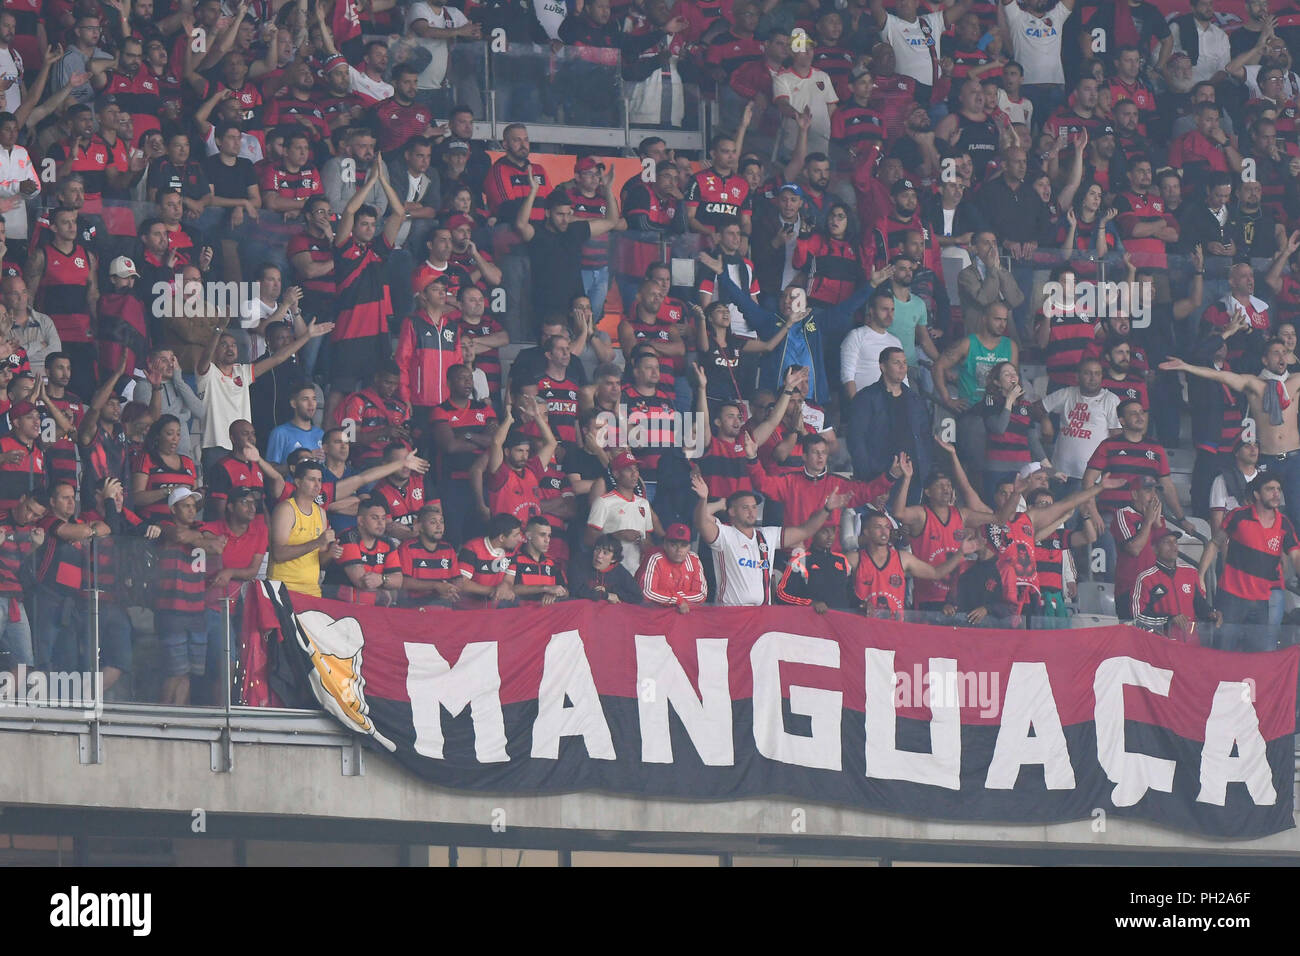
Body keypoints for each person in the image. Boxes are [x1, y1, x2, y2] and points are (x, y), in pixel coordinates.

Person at [1162, 344, 1300, 527]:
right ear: (1265, 360)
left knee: (1297, 513)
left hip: (1294, 458)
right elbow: (1220, 375)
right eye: (1275, 352)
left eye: (1284, 352)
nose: (1281, 356)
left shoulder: (1296, 381)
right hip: (1266, 459)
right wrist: (1186, 366)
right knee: (1263, 513)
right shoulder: (1254, 384)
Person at [692, 470, 849, 606]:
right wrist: (704, 499)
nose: (752, 512)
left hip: (761, 616)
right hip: (731, 614)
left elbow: (805, 530)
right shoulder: (724, 534)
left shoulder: (767, 535)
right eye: (745, 507)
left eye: (754, 507)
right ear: (731, 511)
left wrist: (827, 509)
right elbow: (701, 523)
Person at [889, 441, 996, 612]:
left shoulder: (963, 514)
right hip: (927, 599)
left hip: (959, 598)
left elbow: (998, 519)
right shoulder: (921, 514)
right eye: (940, 486)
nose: (946, 489)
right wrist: (907, 478)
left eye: (948, 486)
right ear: (928, 492)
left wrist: (953, 455)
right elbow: (899, 513)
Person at [1199, 473, 1300, 650]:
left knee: (1258, 657)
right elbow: (1215, 543)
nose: (1276, 493)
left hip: (1261, 600)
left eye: (1278, 489)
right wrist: (1200, 575)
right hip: (1230, 597)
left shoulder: (1284, 524)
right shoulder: (1239, 516)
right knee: (1223, 651)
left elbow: (1296, 556)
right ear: (1257, 494)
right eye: (1270, 489)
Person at [515, 168, 624, 330]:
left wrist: (608, 190)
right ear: (547, 213)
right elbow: (520, 225)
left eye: (568, 213)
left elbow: (611, 221)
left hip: (574, 306)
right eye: (560, 214)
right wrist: (533, 192)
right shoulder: (538, 233)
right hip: (545, 308)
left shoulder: (574, 230)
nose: (565, 219)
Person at [156, 488, 227, 706]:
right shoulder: (163, 527)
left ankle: (178, 716)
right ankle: (162, 715)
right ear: (173, 509)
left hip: (196, 610)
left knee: (188, 672)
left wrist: (196, 537)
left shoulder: (198, 530)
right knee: (174, 671)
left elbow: (217, 546)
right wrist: (201, 538)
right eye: (185, 505)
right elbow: (179, 535)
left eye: (194, 506)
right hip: (171, 609)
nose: (191, 510)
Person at [852, 508, 966, 619]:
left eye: (887, 527)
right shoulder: (855, 559)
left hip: (894, 631)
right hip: (865, 630)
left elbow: (936, 573)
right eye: (878, 527)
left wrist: (961, 553)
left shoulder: (903, 558)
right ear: (866, 532)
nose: (884, 531)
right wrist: (857, 603)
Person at [846, 346, 931, 490]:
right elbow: (856, 439)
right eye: (896, 363)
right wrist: (868, 477)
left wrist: (925, 469)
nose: (902, 367)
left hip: (912, 475)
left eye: (904, 363)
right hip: (879, 476)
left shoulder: (915, 399)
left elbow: (925, 436)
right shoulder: (866, 398)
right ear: (883, 367)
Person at [1040, 356, 1120, 490]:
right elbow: (1036, 409)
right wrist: (1045, 420)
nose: (1093, 378)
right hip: (1059, 473)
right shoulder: (1067, 393)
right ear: (1077, 376)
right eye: (1087, 373)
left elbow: (1117, 439)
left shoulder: (1110, 400)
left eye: (1097, 374)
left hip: (1090, 477)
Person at [268, 459, 340, 599]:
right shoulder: (286, 509)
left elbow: (321, 561)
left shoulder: (321, 513)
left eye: (319, 480)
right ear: (298, 482)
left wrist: (330, 553)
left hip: (312, 591)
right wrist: (317, 542)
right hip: (283, 590)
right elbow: (278, 554)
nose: (317, 485)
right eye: (312, 480)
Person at [1133, 528, 1219, 643]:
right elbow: (1138, 616)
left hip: (1191, 645)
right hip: (1162, 646)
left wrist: (1212, 613)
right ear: (1154, 549)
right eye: (1167, 542)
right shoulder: (1145, 578)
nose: (1173, 546)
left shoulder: (1191, 572)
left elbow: (1199, 604)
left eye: (1175, 542)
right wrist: (1169, 619)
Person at [585, 452, 660, 575]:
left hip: (637, 571)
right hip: (611, 572)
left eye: (636, 469)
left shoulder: (644, 503)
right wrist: (616, 536)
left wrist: (645, 544)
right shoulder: (603, 502)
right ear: (616, 474)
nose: (634, 474)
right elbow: (588, 540)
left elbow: (648, 540)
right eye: (628, 469)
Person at [328, 496, 401, 607]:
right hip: (337, 603)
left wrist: (382, 579)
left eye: (383, 518)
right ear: (361, 521)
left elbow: (398, 581)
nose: (381, 523)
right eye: (375, 518)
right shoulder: (348, 537)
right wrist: (384, 587)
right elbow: (362, 582)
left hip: (366, 605)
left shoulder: (387, 542)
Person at [393, 503, 462, 607]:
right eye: (433, 522)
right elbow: (404, 582)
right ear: (420, 527)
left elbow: (457, 578)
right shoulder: (407, 548)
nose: (439, 526)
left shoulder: (448, 549)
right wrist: (436, 586)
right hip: (415, 605)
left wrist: (451, 590)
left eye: (441, 522)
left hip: (443, 603)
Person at [457, 513, 523, 607]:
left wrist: (504, 586)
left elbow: (509, 580)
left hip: (493, 606)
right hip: (468, 608)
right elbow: (462, 583)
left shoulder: (511, 550)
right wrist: (493, 590)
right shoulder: (472, 548)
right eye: (515, 535)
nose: (520, 539)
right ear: (502, 538)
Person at [640, 523, 707, 611]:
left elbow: (701, 594)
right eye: (673, 545)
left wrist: (673, 598)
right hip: (656, 613)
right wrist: (677, 600)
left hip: (685, 615)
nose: (679, 550)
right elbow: (647, 592)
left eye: (683, 545)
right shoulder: (656, 559)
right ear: (665, 545)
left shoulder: (694, 559)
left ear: (689, 547)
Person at [505, 516, 567, 605]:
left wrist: (555, 594)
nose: (547, 540)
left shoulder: (552, 562)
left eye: (549, 535)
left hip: (549, 615)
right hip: (521, 614)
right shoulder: (514, 559)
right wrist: (545, 588)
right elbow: (509, 589)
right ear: (528, 535)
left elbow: (566, 590)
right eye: (542, 535)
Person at [571, 533, 642, 604]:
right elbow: (574, 589)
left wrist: (612, 590)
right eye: (597, 549)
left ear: (613, 559)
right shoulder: (580, 562)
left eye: (605, 553)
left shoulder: (620, 571)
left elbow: (637, 597)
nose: (599, 555)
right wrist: (605, 595)